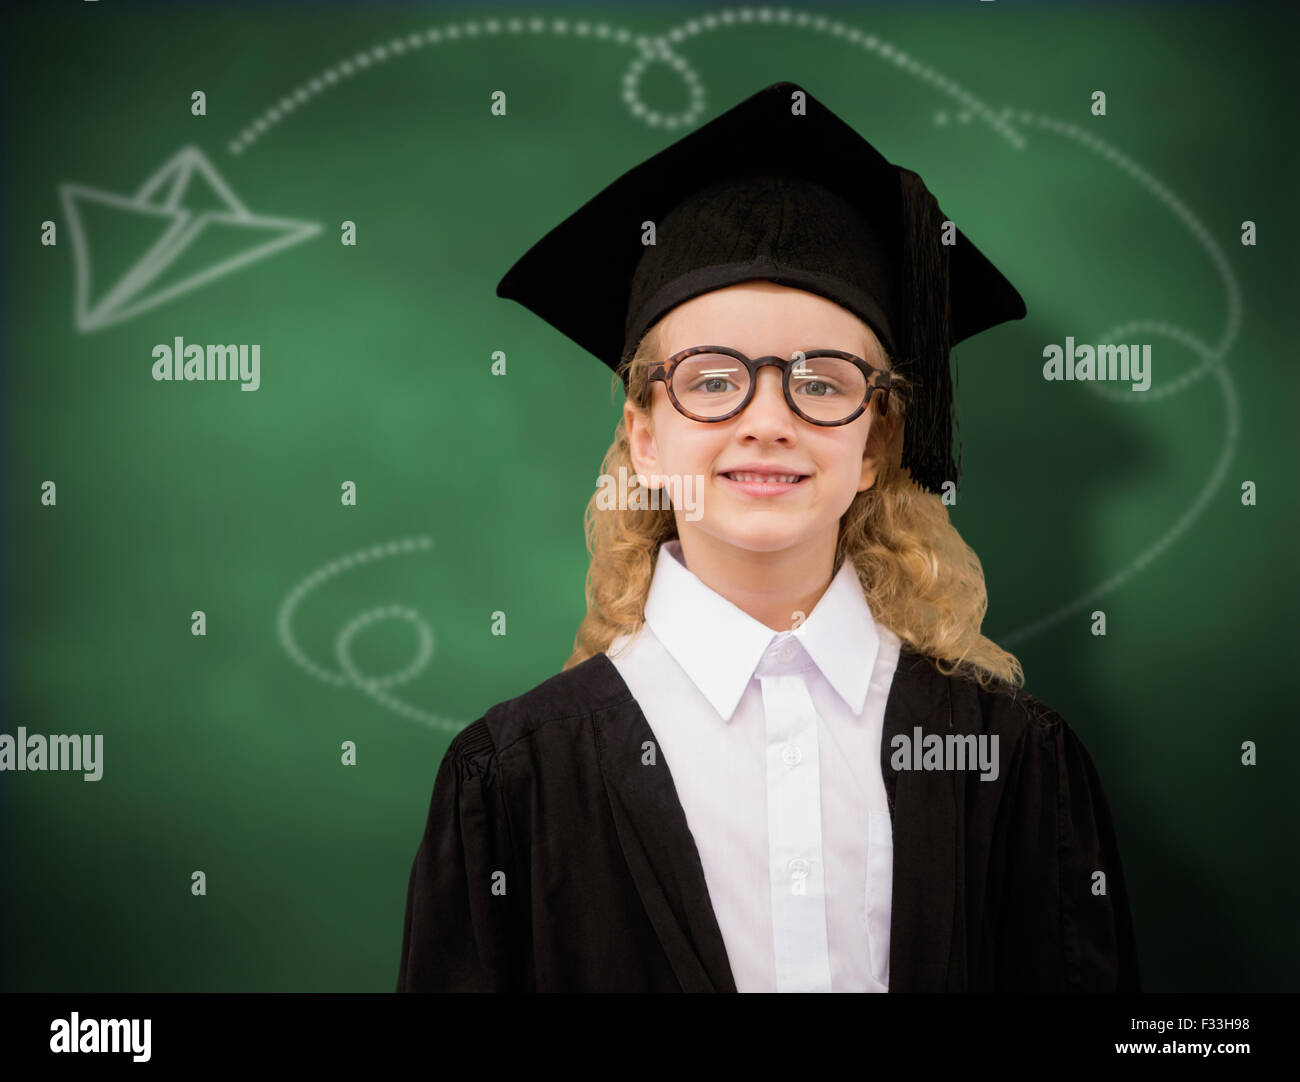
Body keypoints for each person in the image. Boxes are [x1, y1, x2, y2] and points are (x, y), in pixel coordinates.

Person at [395, 80, 1140, 992]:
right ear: (644, 433)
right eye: (712, 381)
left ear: (877, 444)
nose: (767, 420)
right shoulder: (511, 784)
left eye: (822, 383)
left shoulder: (1012, 762)